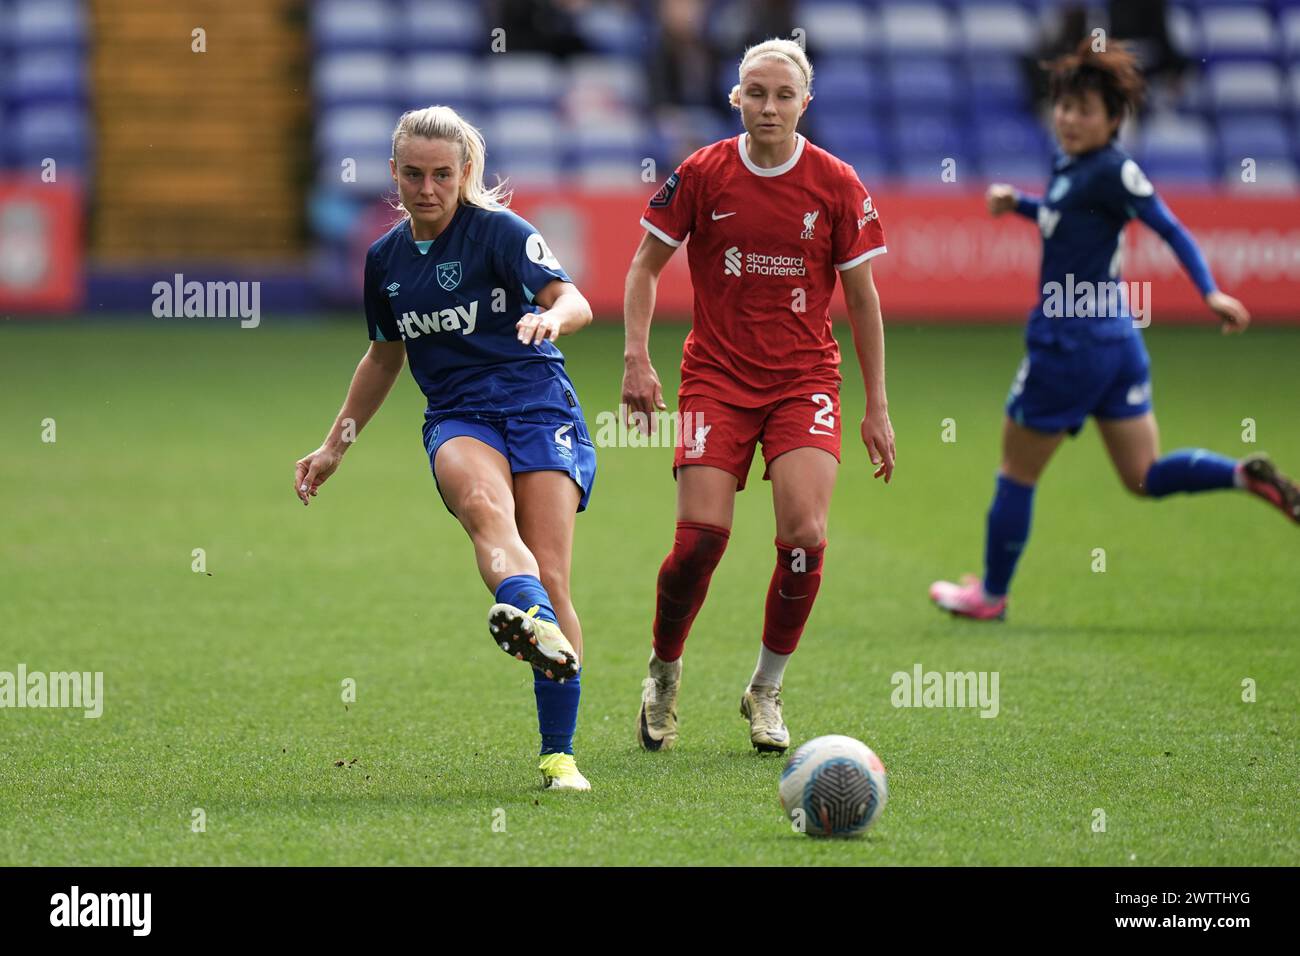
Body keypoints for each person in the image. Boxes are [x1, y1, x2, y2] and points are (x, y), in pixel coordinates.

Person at [930, 41, 1299, 621]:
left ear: (1113, 119)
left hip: (1067, 346)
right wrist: (1019, 205)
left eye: (1085, 110)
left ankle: (991, 597)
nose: (1070, 119)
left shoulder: (1113, 169)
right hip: (1118, 342)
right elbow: (1065, 219)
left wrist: (1210, 291)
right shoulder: (1074, 164)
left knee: (1016, 471)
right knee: (1143, 475)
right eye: (1065, 106)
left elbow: (1170, 228)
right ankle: (1240, 476)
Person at [293, 106, 598, 789]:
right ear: (393, 176)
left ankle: (559, 753)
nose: (426, 187)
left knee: (551, 574)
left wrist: (551, 316)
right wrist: (335, 445)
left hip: (539, 405)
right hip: (460, 416)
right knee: (485, 508)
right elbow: (382, 359)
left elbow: (573, 299)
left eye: (440, 174)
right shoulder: (385, 261)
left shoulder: (499, 233)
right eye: (412, 174)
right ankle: (536, 623)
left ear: (464, 174)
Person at [622, 38, 895, 753]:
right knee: (698, 544)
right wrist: (636, 358)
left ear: (805, 103)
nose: (768, 106)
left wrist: (877, 407)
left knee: (804, 537)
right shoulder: (704, 173)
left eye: (783, 95)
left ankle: (766, 688)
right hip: (716, 377)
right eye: (755, 92)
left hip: (804, 380)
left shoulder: (836, 184)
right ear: (735, 97)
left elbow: (864, 301)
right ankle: (664, 671)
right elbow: (645, 266)